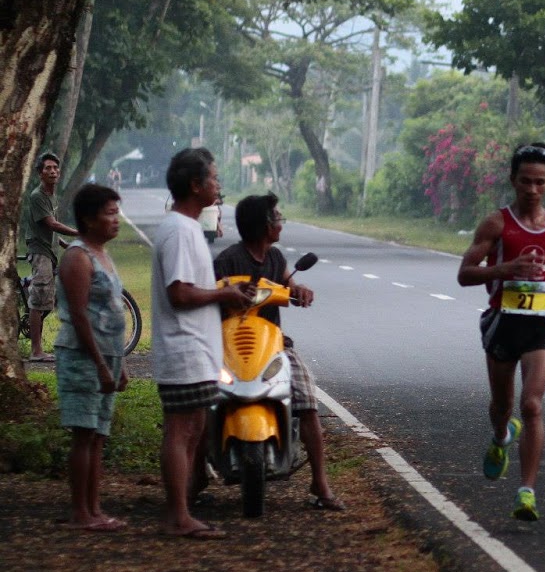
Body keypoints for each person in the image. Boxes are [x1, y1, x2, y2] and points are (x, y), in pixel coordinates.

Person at [457, 142, 545, 521]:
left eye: (540, 182)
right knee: (502, 407)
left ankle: (527, 492)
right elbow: (465, 274)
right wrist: (504, 270)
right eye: (525, 181)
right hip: (503, 322)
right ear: (512, 180)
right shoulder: (497, 224)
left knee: (532, 405)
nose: (532, 190)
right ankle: (499, 439)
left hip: (543, 322)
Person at [214, 193, 344, 511]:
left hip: (273, 346)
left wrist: (298, 290)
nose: (280, 222)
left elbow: (288, 283)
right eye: (276, 217)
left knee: (307, 401)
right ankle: (197, 475)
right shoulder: (227, 260)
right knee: (203, 399)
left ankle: (320, 483)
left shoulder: (275, 259)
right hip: (227, 345)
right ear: (264, 225)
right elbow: (209, 293)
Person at [151, 147, 255, 538]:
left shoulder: (190, 226)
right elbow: (180, 293)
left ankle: (183, 508)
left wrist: (222, 288)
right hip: (184, 348)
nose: (218, 184)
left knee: (193, 429)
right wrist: (223, 295)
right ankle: (178, 515)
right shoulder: (179, 230)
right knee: (181, 431)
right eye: (213, 178)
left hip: (196, 348)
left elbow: (193, 287)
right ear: (195, 186)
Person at [54, 183, 130, 531]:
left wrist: (120, 363)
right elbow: (81, 315)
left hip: (108, 356)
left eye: (117, 212)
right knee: (84, 433)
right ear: (87, 218)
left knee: (99, 434)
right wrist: (100, 363)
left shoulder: (102, 253)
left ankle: (95, 508)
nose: (116, 220)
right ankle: (79, 512)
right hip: (83, 357)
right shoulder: (77, 256)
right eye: (109, 213)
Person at [22, 153, 79, 361]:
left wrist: (64, 243)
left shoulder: (52, 194)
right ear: (40, 173)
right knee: (38, 301)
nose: (53, 171)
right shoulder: (37, 195)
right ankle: (36, 351)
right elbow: (52, 224)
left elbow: (51, 226)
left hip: (50, 250)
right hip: (40, 252)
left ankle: (30, 290)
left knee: (50, 297)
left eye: (55, 167)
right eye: (48, 168)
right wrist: (78, 232)